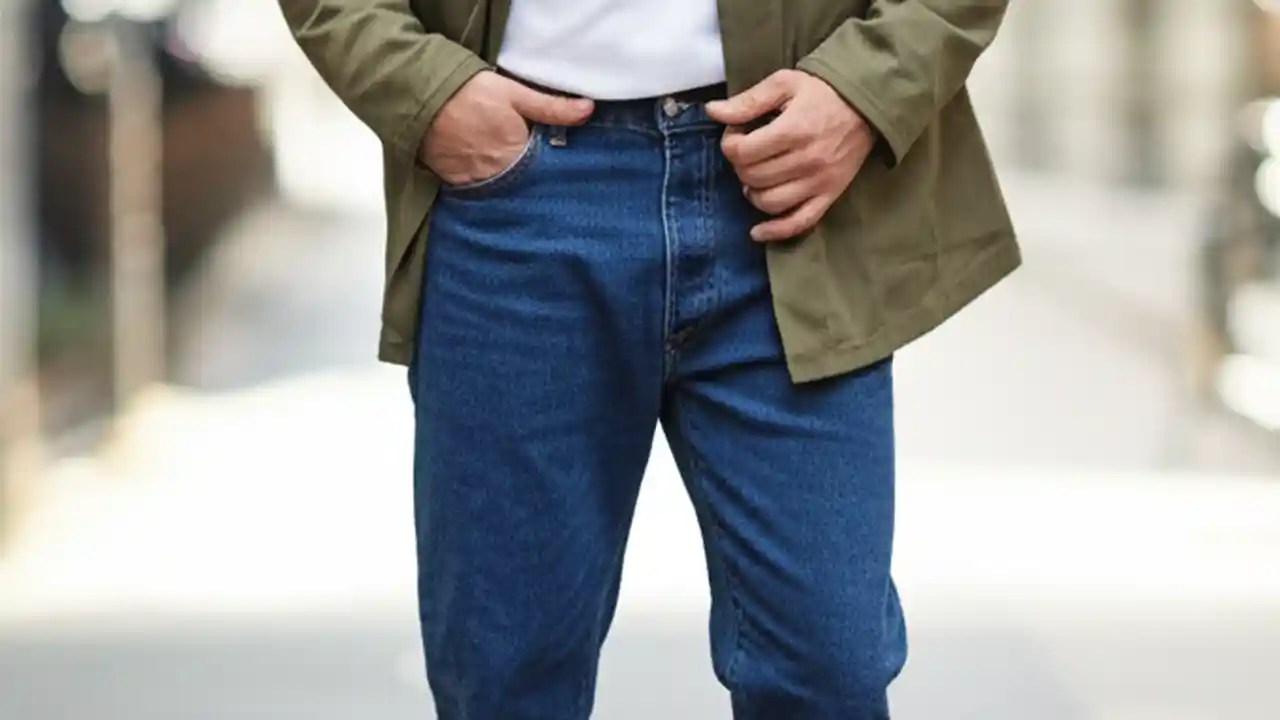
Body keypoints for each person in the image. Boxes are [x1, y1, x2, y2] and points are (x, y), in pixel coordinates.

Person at [280, 1, 1016, 717]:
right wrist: (426, 92)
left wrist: (863, 89)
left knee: (829, 669)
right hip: (517, 203)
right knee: (501, 677)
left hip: (789, 197)